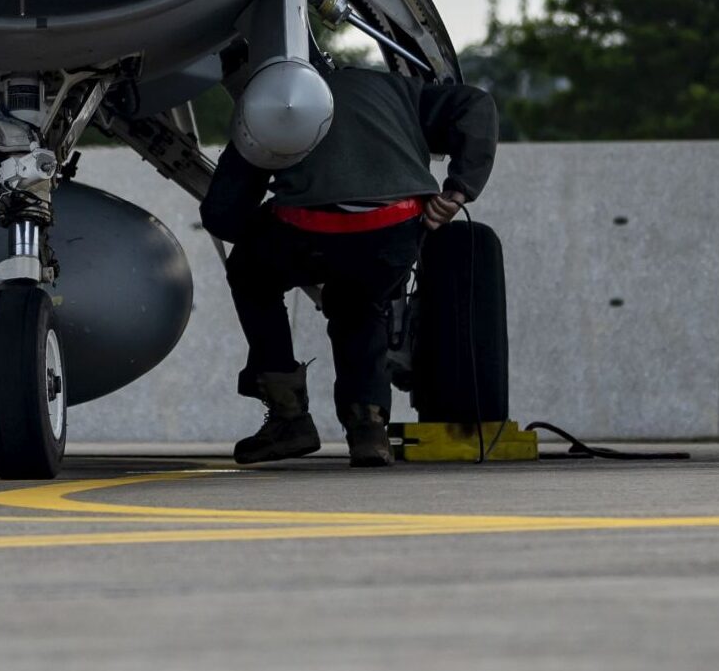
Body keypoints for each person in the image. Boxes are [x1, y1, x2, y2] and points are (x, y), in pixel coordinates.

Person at [199, 54, 499, 467]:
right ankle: (368, 431)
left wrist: (267, 210)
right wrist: (458, 191)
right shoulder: (396, 89)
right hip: (396, 230)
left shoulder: (269, 105)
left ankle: (289, 417)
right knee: (361, 303)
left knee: (250, 273)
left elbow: (221, 215)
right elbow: (476, 105)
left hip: (309, 230)